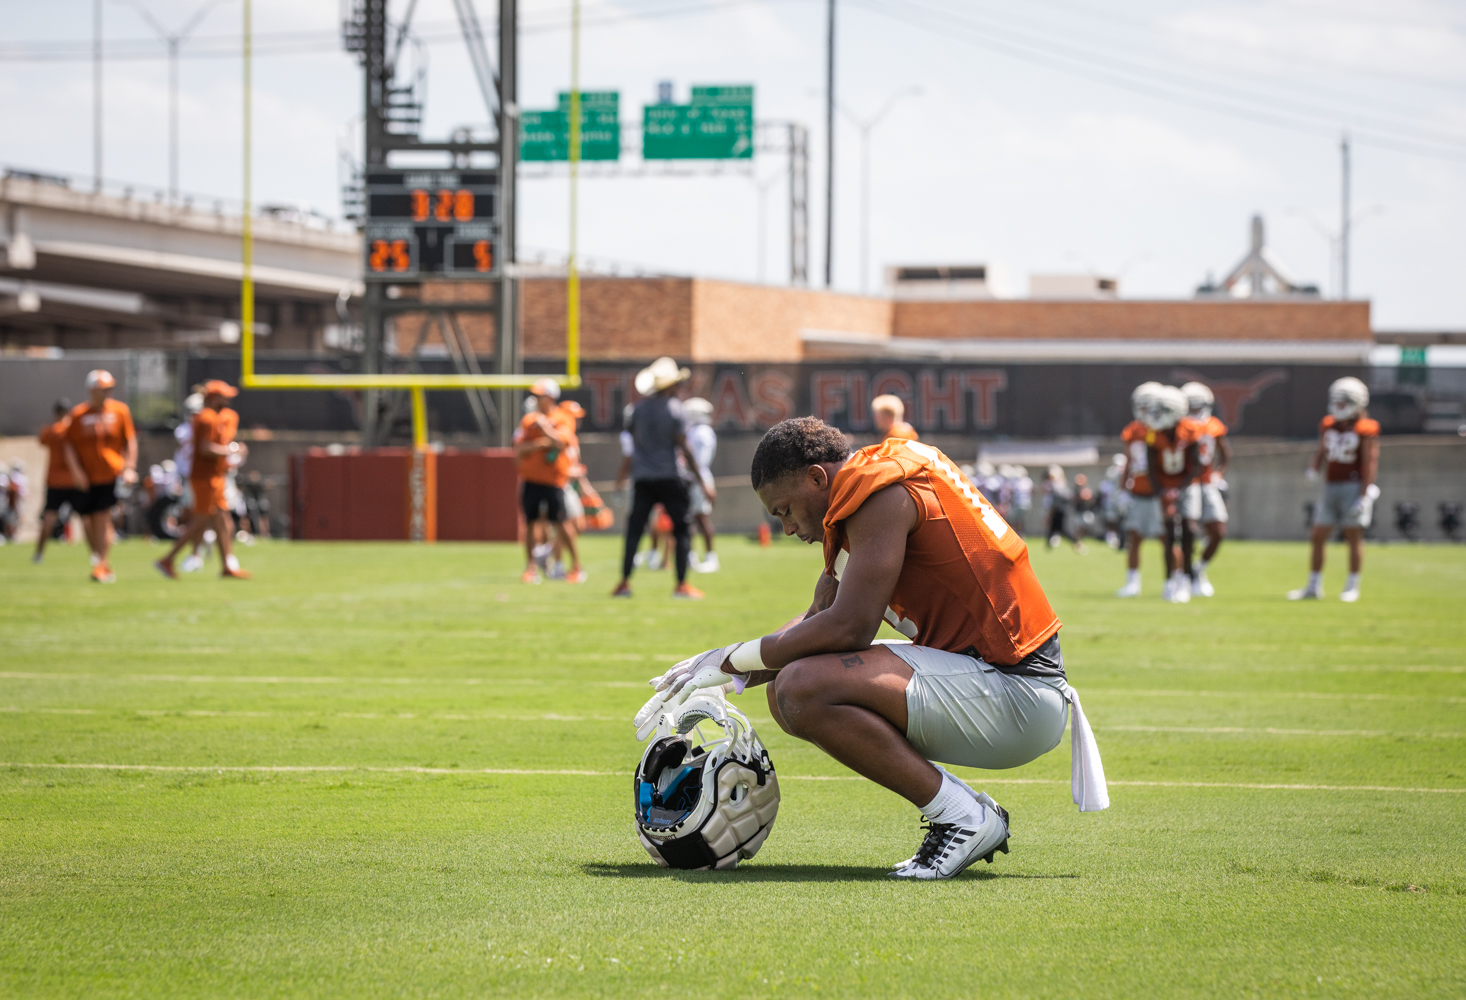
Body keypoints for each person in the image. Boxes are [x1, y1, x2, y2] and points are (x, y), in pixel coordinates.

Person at [636, 417, 1107, 879]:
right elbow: (819, 618)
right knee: (786, 684)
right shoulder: (864, 489)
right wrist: (726, 673)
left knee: (802, 686)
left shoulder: (879, 495)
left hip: (1020, 692)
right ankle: (965, 811)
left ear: (817, 478)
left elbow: (849, 629)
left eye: (784, 510)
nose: (785, 527)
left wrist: (731, 656)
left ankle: (962, 817)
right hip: (993, 681)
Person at [613, 356, 717, 599]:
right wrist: (702, 480)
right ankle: (681, 584)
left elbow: (633, 444)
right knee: (682, 529)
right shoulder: (676, 410)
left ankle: (624, 582)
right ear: (671, 385)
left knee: (634, 530)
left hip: (642, 479)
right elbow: (685, 448)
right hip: (670, 477)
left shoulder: (637, 410)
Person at [1289, 377, 1378, 603]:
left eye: (1343, 403)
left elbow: (1369, 462)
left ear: (1357, 403)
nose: (1338, 407)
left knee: (1353, 536)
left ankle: (1352, 586)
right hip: (1330, 485)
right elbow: (1322, 449)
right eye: (1336, 402)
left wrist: (1364, 494)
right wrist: (1313, 468)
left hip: (1353, 486)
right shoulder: (1328, 424)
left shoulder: (1365, 428)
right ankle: (1313, 586)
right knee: (1318, 535)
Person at [154, 380, 251, 580]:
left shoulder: (213, 417)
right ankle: (168, 559)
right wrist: (232, 450)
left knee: (222, 518)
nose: (228, 401)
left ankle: (227, 565)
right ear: (214, 398)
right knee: (202, 519)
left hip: (214, 476)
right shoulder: (207, 418)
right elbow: (206, 449)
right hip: (205, 477)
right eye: (224, 397)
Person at [63, 369, 138, 583]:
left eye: (109, 389)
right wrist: (76, 472)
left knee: (102, 517)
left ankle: (101, 563)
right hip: (86, 477)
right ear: (91, 390)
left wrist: (129, 467)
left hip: (109, 474)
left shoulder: (120, 411)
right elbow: (69, 445)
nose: (106, 393)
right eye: (102, 389)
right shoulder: (78, 415)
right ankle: (99, 560)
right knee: (87, 520)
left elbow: (129, 440)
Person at [514, 378, 585, 585]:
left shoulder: (562, 417)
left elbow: (560, 442)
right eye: (536, 396)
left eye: (540, 396)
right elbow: (519, 449)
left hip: (554, 481)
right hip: (531, 479)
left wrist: (544, 430)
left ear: (551, 397)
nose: (536, 399)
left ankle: (576, 567)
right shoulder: (529, 420)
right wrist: (542, 443)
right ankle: (531, 568)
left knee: (562, 523)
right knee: (530, 523)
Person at [1144, 386, 1200, 603]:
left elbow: (1195, 466)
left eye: (1161, 410)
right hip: (1163, 486)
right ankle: (1169, 581)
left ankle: (1185, 579)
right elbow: (1150, 467)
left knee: (1190, 529)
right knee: (1168, 533)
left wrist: (1179, 490)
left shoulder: (1191, 429)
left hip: (1187, 485)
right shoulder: (1152, 432)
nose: (1155, 415)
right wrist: (1162, 491)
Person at [1179, 382, 1231, 597]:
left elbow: (1225, 453)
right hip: (1187, 484)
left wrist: (1219, 472)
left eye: (1198, 406)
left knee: (1218, 531)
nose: (1194, 411)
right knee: (1188, 531)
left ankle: (1199, 570)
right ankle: (1184, 575)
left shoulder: (1213, 425)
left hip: (1207, 482)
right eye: (1190, 407)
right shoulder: (1178, 426)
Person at [1115, 382, 1164, 598]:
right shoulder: (1133, 431)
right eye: (1141, 406)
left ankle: (1177, 580)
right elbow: (1128, 462)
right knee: (1134, 539)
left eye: (1149, 406)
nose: (1145, 411)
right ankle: (1132, 583)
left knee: (1168, 539)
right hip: (1137, 491)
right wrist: (1123, 490)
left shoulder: (1165, 430)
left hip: (1160, 494)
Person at [34, 398, 80, 563]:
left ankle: (38, 554)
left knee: (48, 518)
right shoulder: (74, 430)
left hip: (54, 481)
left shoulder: (50, 431)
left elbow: (42, 440)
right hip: (74, 480)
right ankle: (96, 556)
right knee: (88, 517)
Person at [683, 397, 720, 573]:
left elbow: (700, 461)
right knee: (689, 519)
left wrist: (700, 482)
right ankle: (690, 556)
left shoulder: (702, 433)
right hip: (692, 479)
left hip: (698, 480)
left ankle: (710, 557)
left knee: (701, 518)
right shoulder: (694, 431)